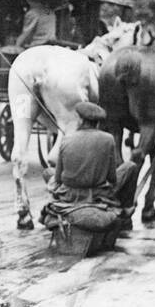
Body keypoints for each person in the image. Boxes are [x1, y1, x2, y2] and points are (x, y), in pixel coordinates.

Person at [41, 101, 140, 236]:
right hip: (98, 194)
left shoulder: (66, 139)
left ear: (81, 120)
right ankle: (127, 209)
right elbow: (112, 178)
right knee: (131, 167)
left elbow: (58, 179)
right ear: (97, 123)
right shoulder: (108, 139)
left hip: (68, 194)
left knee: (48, 172)